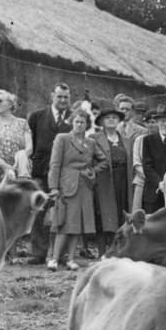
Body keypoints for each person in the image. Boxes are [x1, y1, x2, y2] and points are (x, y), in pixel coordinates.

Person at [26, 83, 72, 263]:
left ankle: (60, 254)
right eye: (59, 96)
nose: (62, 100)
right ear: (52, 96)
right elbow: (32, 145)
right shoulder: (37, 117)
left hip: (65, 173)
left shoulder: (74, 118)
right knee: (38, 211)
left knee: (64, 212)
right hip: (41, 171)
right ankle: (38, 253)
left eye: (66, 97)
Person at [47, 109, 98, 271]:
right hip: (67, 184)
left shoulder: (90, 143)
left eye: (83, 122)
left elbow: (101, 161)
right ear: (71, 122)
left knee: (78, 224)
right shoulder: (62, 138)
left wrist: (92, 172)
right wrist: (54, 187)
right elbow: (55, 164)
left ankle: (71, 259)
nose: (79, 125)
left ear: (87, 125)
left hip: (85, 186)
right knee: (63, 222)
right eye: (76, 121)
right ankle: (54, 259)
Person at [89, 105, 131, 253]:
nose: (111, 120)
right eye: (107, 118)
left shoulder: (125, 140)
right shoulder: (94, 138)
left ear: (119, 120)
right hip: (103, 182)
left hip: (122, 181)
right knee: (103, 216)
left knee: (120, 214)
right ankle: (101, 252)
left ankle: (117, 251)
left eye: (114, 117)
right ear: (101, 121)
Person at [0, 90, 32, 178]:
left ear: (10, 104)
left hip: (19, 169)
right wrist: (4, 165)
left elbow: (29, 148)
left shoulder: (22, 123)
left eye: (0, 101)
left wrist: (18, 160)